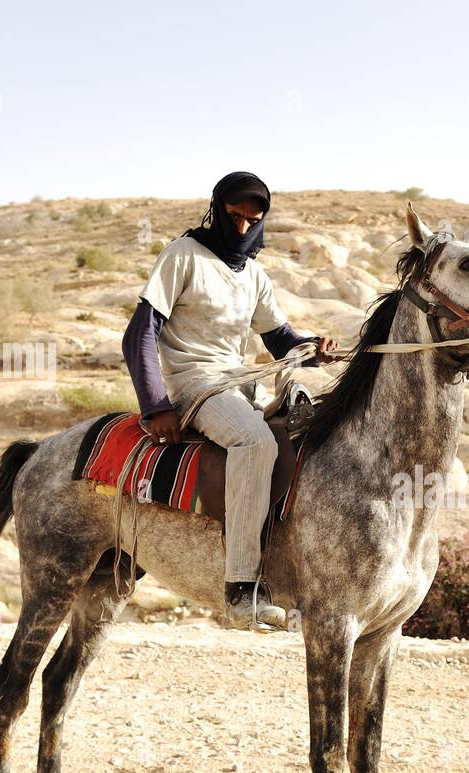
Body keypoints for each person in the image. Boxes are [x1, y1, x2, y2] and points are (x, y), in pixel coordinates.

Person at [122, 171, 339, 629]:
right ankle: (241, 589)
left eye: (252, 220)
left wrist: (311, 346)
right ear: (216, 208)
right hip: (196, 382)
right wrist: (156, 405)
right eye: (233, 216)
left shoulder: (254, 274)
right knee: (255, 443)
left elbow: (280, 338)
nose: (242, 228)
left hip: (243, 381)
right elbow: (139, 334)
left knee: (320, 413)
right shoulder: (183, 255)